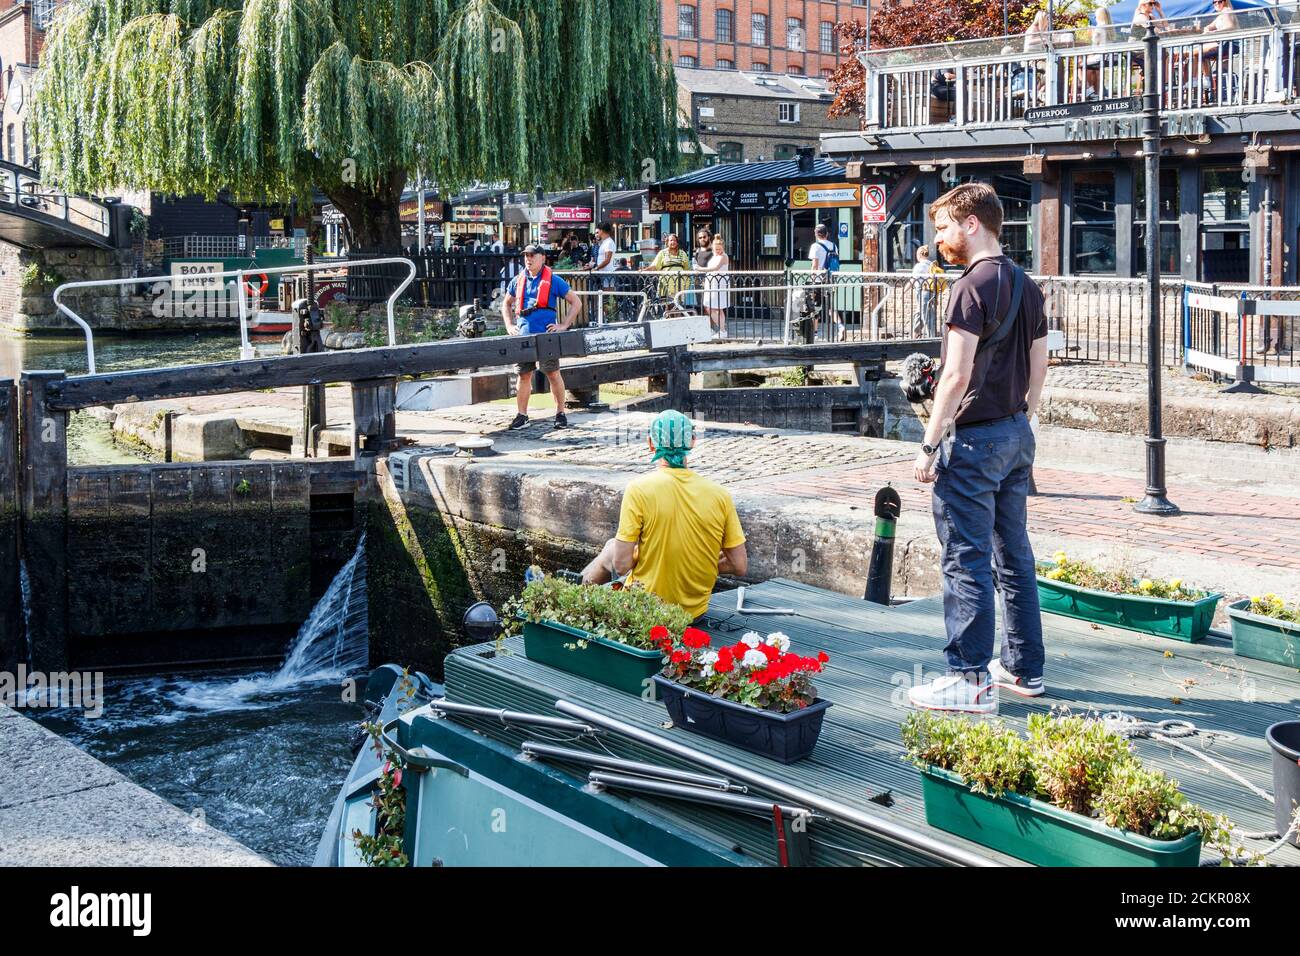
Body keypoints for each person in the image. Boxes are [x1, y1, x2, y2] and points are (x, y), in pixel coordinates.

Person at [906, 183, 1050, 714]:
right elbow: (1040, 365)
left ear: (971, 224)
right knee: (1014, 556)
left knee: (964, 558)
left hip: (972, 441)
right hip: (1014, 435)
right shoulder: (1027, 285)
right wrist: (1022, 419)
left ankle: (967, 678)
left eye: (944, 226)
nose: (940, 237)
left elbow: (955, 374)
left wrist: (928, 443)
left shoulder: (968, 287)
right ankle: (1023, 668)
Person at [581, 410, 747, 621]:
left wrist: (656, 557)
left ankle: (575, 599)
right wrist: (694, 561)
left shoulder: (639, 489)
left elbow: (621, 565)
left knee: (611, 549)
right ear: (692, 442)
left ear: (651, 444)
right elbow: (739, 566)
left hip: (645, 611)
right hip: (693, 615)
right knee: (614, 547)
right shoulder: (720, 495)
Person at [502, 243, 583, 431]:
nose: (528, 259)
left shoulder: (554, 280)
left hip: (547, 336)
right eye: (526, 256)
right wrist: (509, 325)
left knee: (553, 373)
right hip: (523, 336)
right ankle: (522, 415)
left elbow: (576, 302)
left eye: (532, 255)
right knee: (523, 375)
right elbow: (506, 304)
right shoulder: (518, 280)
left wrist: (563, 325)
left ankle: (560, 413)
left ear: (542, 258)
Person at [807, 223, 842, 341]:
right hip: (830, 280)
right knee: (830, 307)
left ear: (816, 234)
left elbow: (814, 266)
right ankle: (841, 327)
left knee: (815, 307)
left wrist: (812, 280)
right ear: (827, 234)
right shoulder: (834, 246)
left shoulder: (815, 246)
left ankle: (815, 333)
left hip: (818, 281)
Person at [642, 232, 692, 309]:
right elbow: (655, 266)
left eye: (675, 240)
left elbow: (687, 269)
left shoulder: (683, 253)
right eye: (671, 240)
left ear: (677, 242)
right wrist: (644, 270)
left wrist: (687, 283)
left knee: (678, 307)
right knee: (668, 308)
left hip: (679, 286)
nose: (673, 242)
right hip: (666, 285)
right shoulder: (662, 253)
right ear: (667, 242)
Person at [699, 234, 730, 339]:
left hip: (719, 284)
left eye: (720, 249)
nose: (718, 251)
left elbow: (715, 268)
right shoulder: (714, 255)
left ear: (723, 247)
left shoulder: (724, 256)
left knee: (711, 307)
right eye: (716, 249)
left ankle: (722, 330)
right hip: (712, 283)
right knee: (716, 308)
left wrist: (699, 269)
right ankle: (722, 330)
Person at [912, 244, 941, 338]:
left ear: (919, 255)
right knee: (920, 312)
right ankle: (916, 333)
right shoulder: (932, 264)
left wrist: (905, 290)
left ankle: (931, 337)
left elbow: (913, 280)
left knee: (926, 315)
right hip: (932, 291)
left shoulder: (919, 266)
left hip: (923, 292)